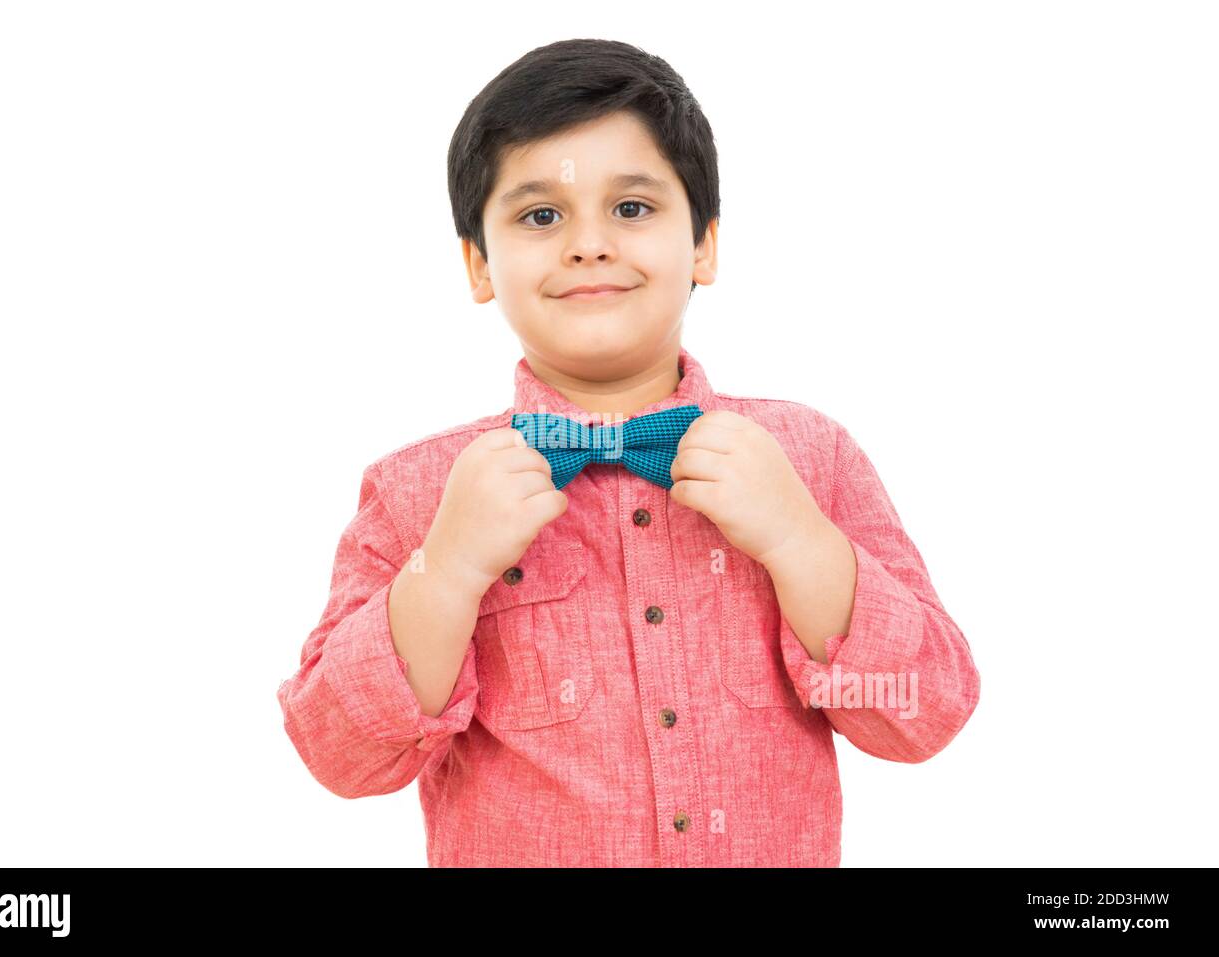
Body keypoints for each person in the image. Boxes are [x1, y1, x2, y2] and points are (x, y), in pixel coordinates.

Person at [275, 38, 980, 867]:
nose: (589, 245)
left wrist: (800, 542)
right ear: (478, 264)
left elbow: (925, 714)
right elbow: (340, 754)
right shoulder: (414, 492)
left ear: (705, 245)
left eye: (634, 209)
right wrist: (449, 567)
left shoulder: (809, 457)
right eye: (541, 216)